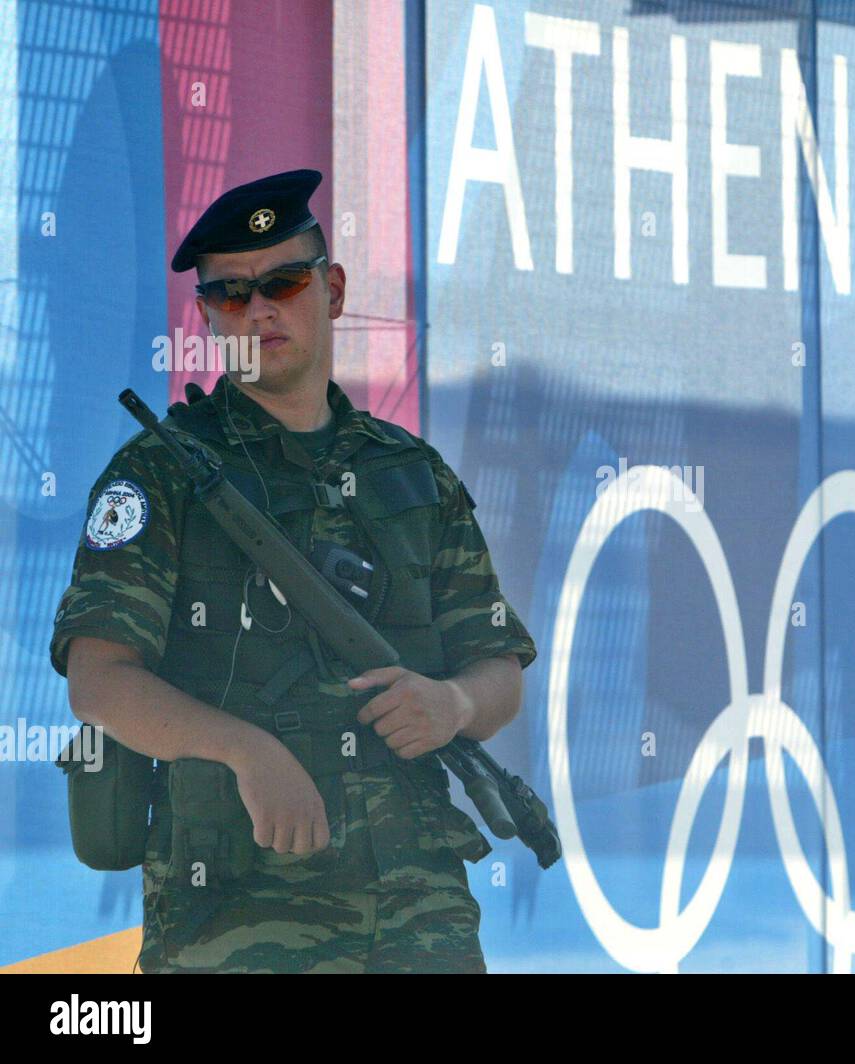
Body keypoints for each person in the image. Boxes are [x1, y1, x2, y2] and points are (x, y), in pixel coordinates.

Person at [48, 168, 537, 973]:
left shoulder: (414, 474)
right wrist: (247, 751)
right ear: (206, 315)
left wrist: (450, 703)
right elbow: (100, 683)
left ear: (333, 289)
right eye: (232, 295)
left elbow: (498, 667)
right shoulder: (160, 476)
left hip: (418, 910)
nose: (261, 309)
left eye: (283, 282)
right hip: (237, 919)